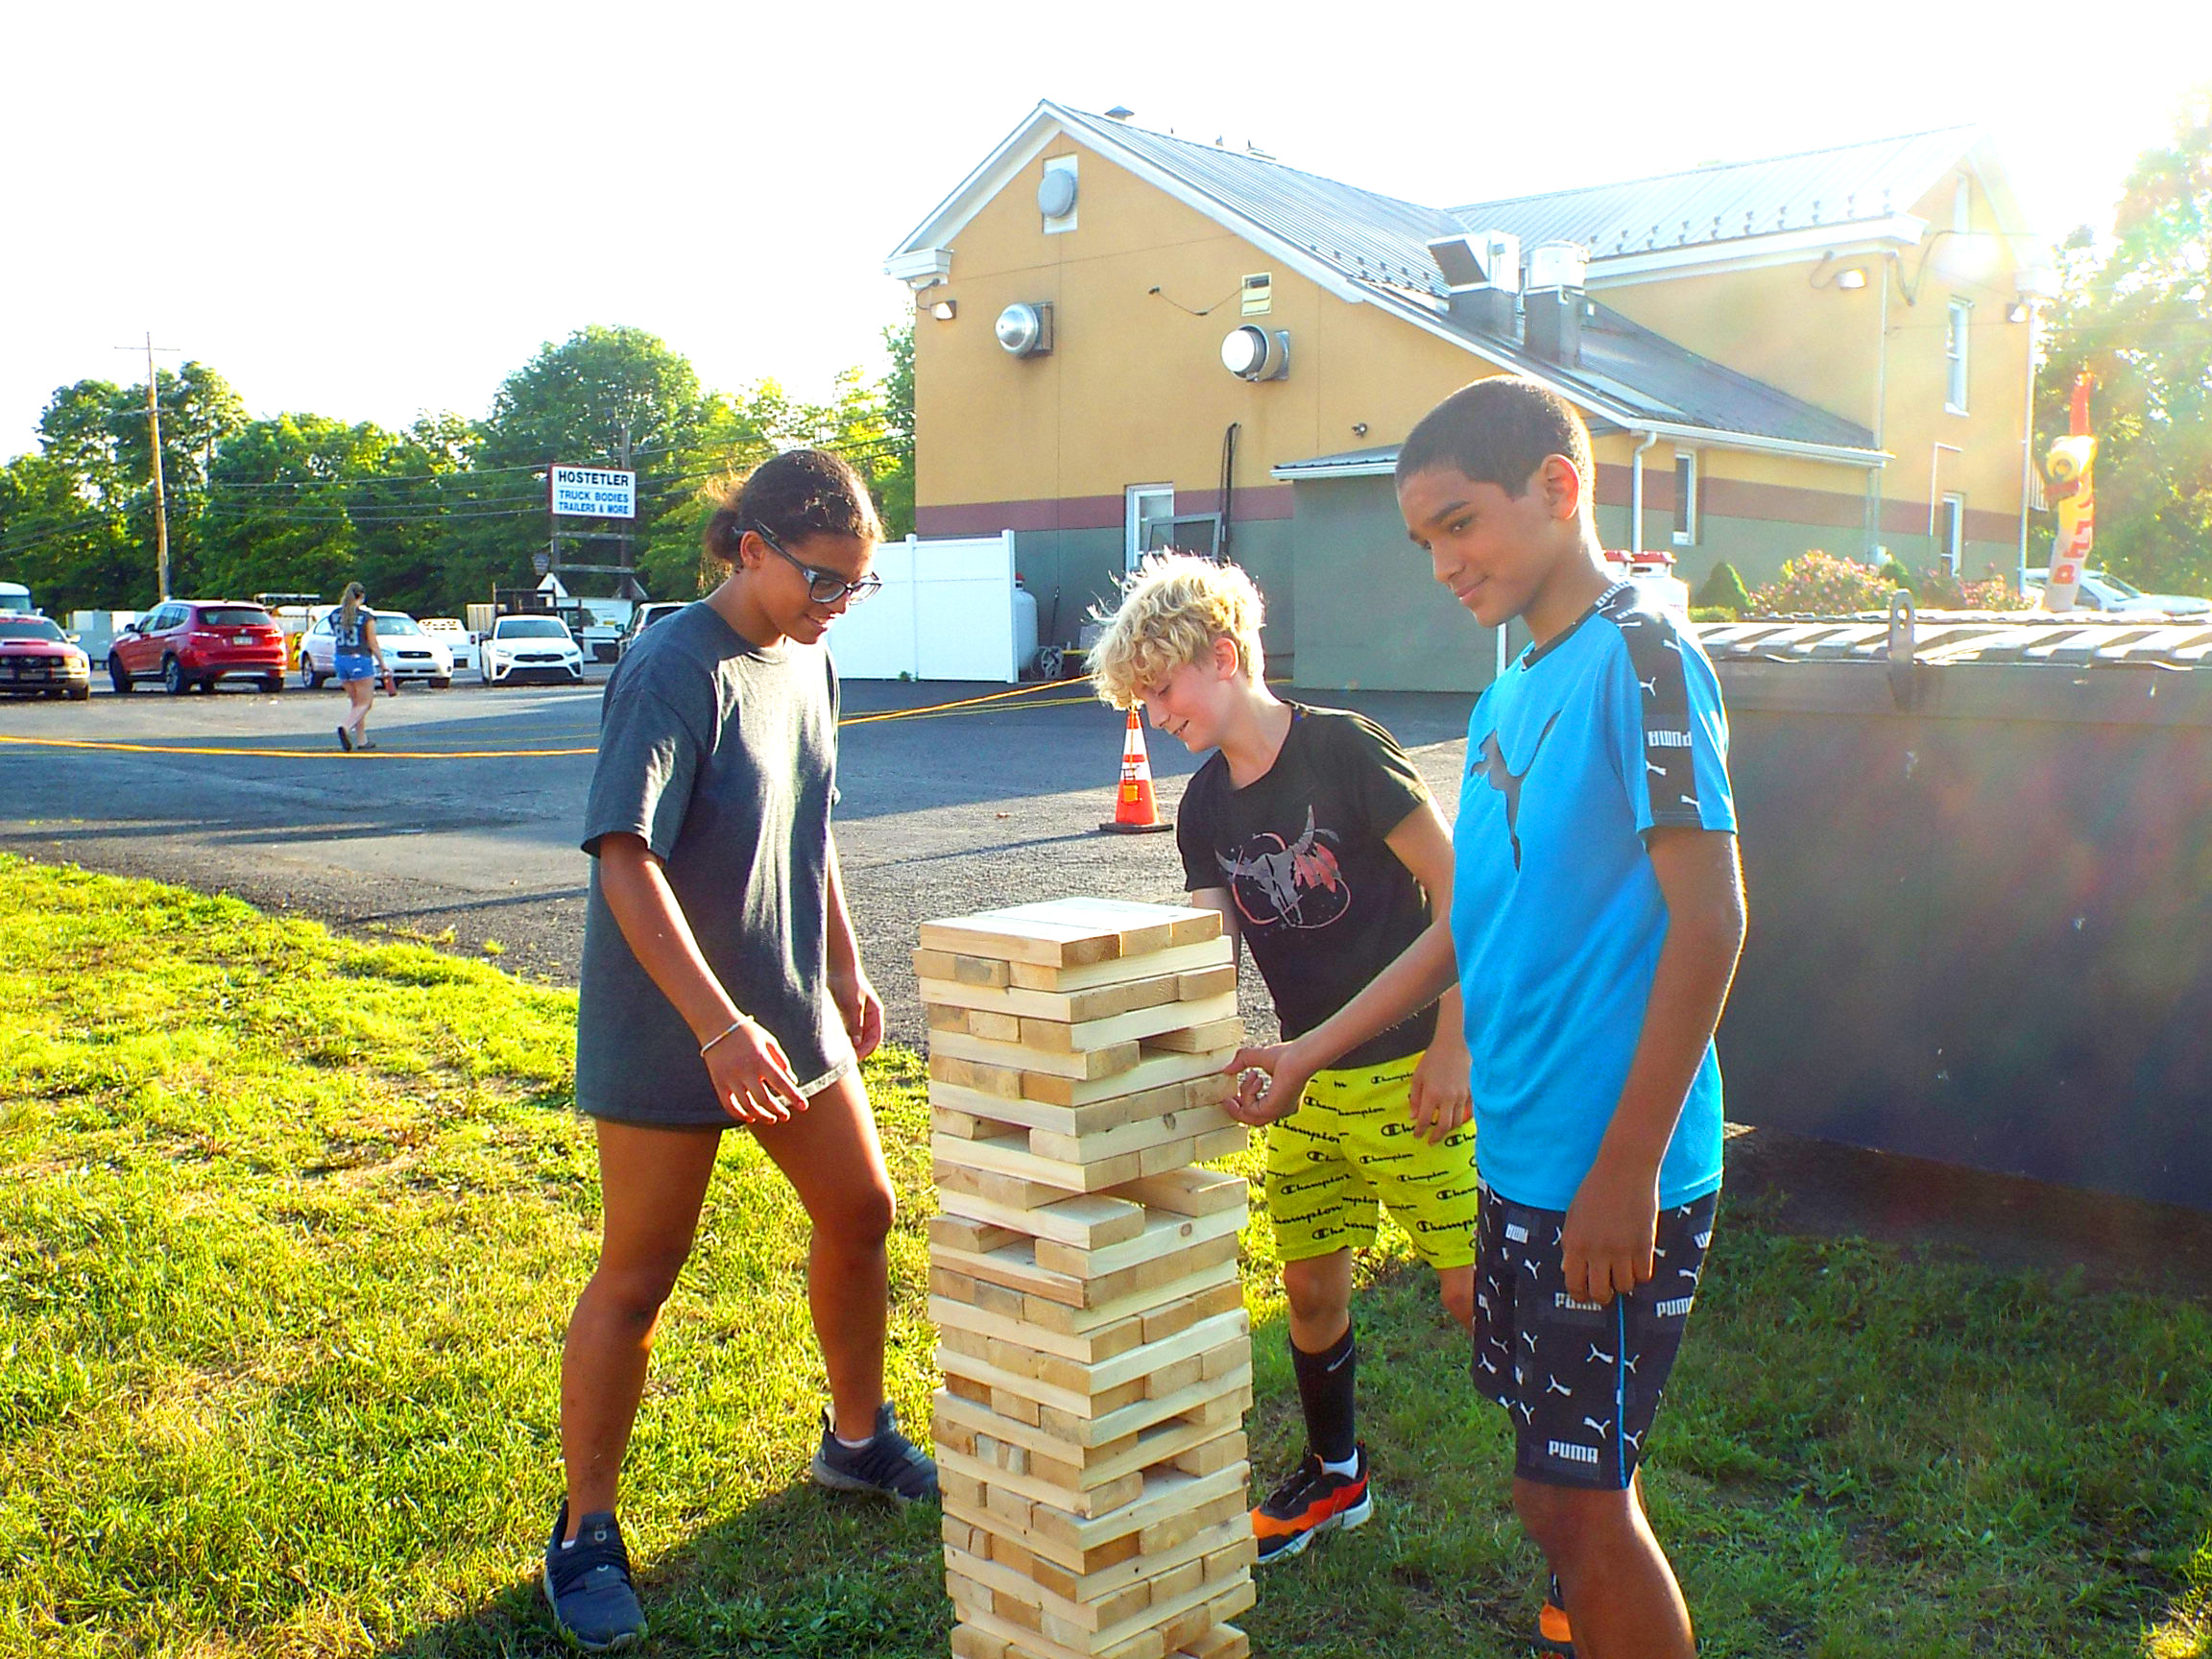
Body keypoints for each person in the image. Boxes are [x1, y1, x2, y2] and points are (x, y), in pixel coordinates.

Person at [1224, 376, 1745, 1659]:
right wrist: (1308, 1052)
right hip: (1517, 1154)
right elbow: (1475, 923)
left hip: (1609, 1170)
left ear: (1558, 489)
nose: (1443, 563)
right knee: (1555, 1491)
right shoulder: (1512, 684)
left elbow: (1713, 920)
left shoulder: (1645, 657)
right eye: (1424, 540)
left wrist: (1626, 1171)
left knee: (1581, 1503)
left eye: (1459, 523)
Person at [544, 448, 931, 1653]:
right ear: (751, 547)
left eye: (858, 585)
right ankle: (586, 1533)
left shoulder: (810, 659)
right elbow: (625, 858)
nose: (838, 605)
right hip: (674, 1021)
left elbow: (811, 826)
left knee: (862, 1210)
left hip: (789, 1008)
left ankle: (857, 1441)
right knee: (641, 1271)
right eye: (823, 580)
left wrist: (846, 965)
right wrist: (717, 1026)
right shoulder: (672, 665)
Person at [1088, 553, 1478, 1566]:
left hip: (1417, 1079)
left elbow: (1469, 896)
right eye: (1142, 701)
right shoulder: (1202, 808)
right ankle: (1336, 1476)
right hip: (1303, 1086)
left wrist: (1456, 1046)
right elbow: (1205, 960)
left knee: (1471, 1292)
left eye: (1161, 690)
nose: (1154, 716)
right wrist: (1153, 1049)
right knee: (1309, 1291)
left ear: (1223, 657)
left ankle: (1576, 1500)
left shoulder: (1347, 750)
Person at [329, 583, 395, 751]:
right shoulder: (366, 617)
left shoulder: (334, 615)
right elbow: (372, 643)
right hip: (360, 659)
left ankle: (361, 739)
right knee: (365, 703)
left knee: (356, 703)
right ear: (362, 596)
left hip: (340, 658)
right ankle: (345, 726)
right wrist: (382, 663)